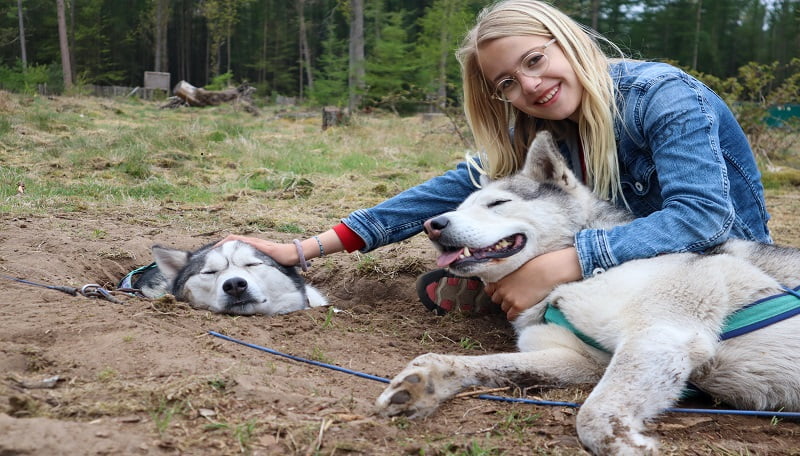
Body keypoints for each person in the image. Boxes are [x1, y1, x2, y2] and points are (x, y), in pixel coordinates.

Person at [219, 0, 771, 321]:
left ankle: (529, 288)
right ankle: (513, 282)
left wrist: (568, 262)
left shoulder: (664, 96)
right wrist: (303, 248)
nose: (530, 85)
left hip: (723, 270)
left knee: (542, 273)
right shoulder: (541, 127)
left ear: (567, 40)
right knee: (501, 236)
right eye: (508, 82)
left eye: (536, 60)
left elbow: (703, 219)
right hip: (628, 266)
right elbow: (453, 190)